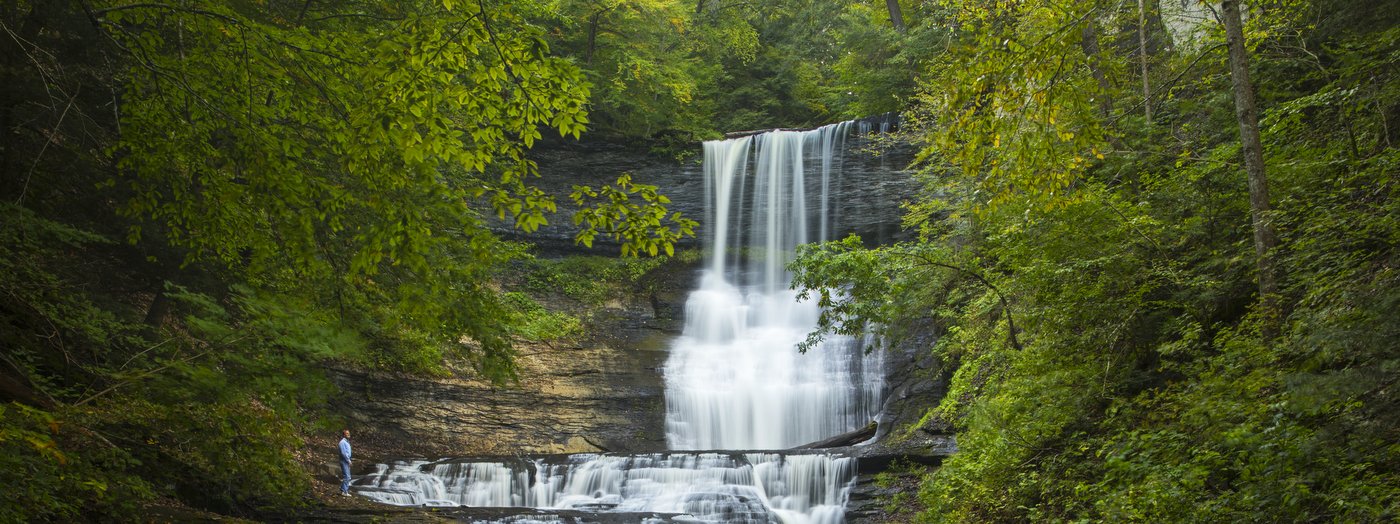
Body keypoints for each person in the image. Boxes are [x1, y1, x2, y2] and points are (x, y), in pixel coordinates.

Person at [338, 429, 352, 496]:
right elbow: (343, 453)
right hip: (344, 461)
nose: (348, 434)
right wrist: (348, 460)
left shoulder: (347, 442)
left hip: (346, 460)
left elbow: (347, 452)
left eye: (348, 433)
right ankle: (344, 491)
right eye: (346, 433)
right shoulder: (342, 442)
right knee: (346, 476)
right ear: (344, 435)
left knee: (348, 477)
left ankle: (343, 489)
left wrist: (349, 460)